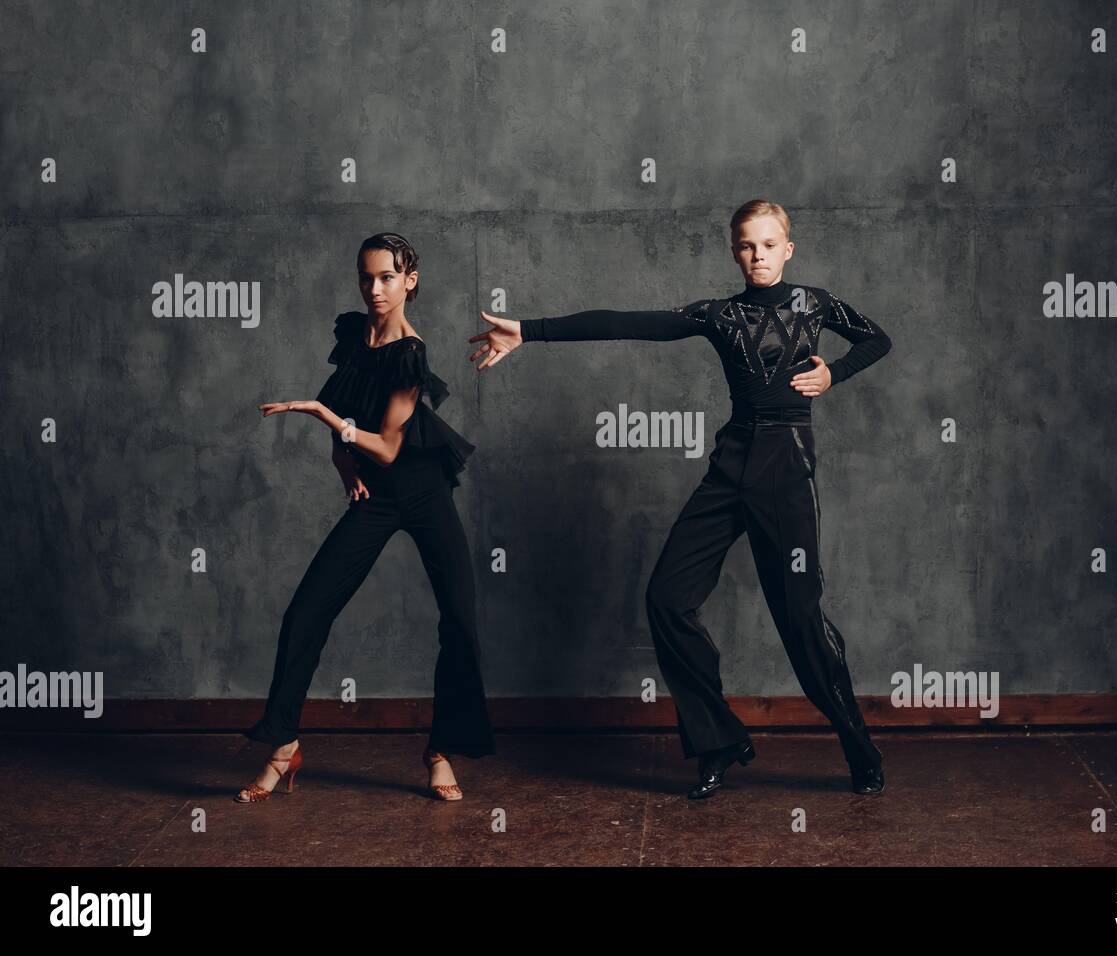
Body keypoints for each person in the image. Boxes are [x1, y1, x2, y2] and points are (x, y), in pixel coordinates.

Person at [468, 200, 891, 798]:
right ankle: (720, 740)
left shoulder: (815, 303)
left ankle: (860, 749)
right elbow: (628, 321)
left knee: (800, 621)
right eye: (746, 246)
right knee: (667, 600)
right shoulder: (721, 315)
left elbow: (877, 339)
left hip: (786, 469)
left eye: (769, 245)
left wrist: (833, 374)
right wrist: (530, 331)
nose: (757, 256)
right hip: (731, 465)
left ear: (788, 249)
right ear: (734, 251)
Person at [237, 233, 492, 804]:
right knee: (306, 611)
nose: (375, 290)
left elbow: (388, 447)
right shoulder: (355, 334)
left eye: (387, 278)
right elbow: (348, 422)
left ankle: (441, 749)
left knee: (460, 621)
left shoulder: (409, 352)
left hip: (421, 490)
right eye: (366, 277)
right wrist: (339, 460)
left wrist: (321, 415)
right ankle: (283, 748)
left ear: (410, 280)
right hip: (374, 497)